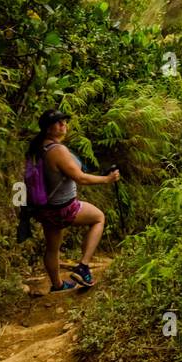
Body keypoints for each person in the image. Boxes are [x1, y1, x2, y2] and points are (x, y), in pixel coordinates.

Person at [26, 110, 121, 292]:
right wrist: (107, 179)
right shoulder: (57, 151)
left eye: (64, 121)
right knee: (98, 218)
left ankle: (58, 285)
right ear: (47, 129)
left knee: (52, 248)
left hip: (44, 208)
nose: (63, 125)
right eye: (58, 122)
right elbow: (81, 178)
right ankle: (83, 266)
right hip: (64, 208)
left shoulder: (37, 148)